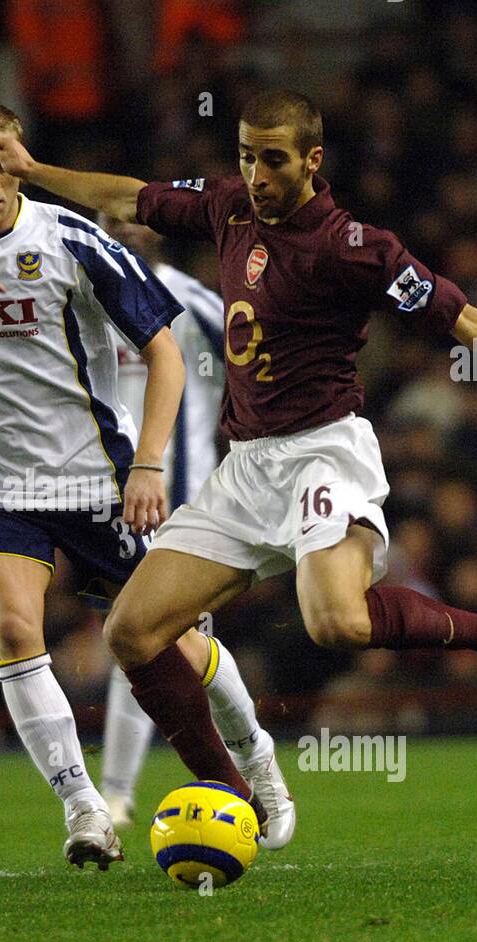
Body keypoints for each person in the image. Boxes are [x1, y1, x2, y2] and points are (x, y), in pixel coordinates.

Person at [0, 87, 477, 805]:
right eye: (246, 157)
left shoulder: (353, 247)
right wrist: (32, 169)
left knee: (336, 622)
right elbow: (132, 196)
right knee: (132, 631)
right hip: (246, 466)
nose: (256, 175)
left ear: (312, 161)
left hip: (323, 452)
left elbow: (463, 318)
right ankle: (241, 791)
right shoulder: (229, 207)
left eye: (273, 161)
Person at [0, 101, 293, 870]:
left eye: (1, 161)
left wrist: (147, 464)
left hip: (99, 480)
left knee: (176, 639)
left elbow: (166, 350)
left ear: (21, 160)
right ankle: (85, 807)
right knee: (15, 629)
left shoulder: (70, 240)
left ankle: (259, 765)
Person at [94, 216, 287, 833]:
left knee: (154, 636)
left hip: (181, 501)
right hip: (103, 495)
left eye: (133, 217)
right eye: (110, 218)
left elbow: (261, 360)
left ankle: (125, 793)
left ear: (156, 231)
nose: (124, 228)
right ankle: (247, 760)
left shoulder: (190, 300)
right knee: (144, 638)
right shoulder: (84, 293)